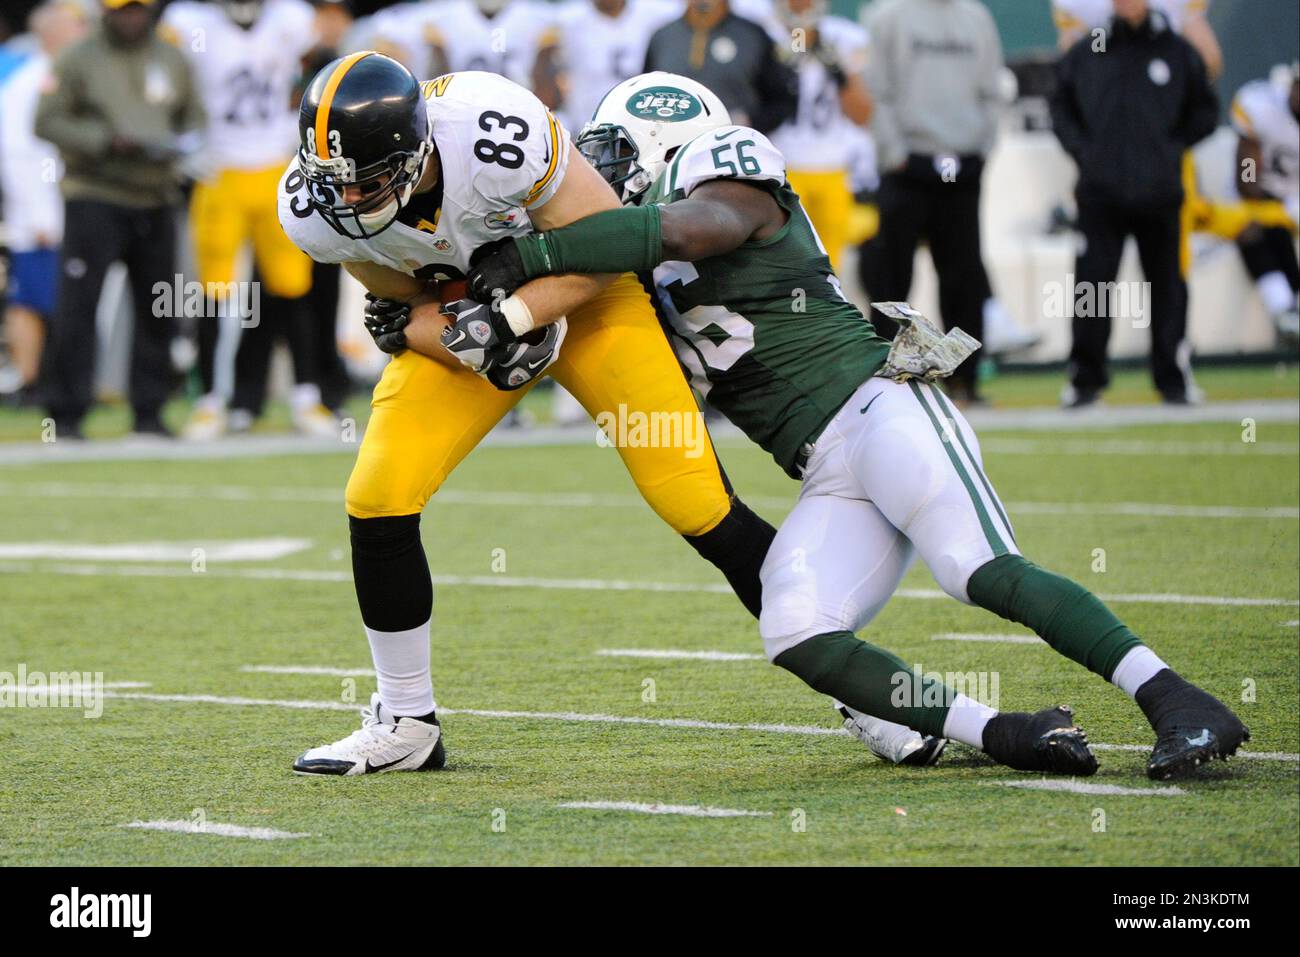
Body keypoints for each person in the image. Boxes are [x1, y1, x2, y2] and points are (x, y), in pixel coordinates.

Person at [466, 70, 1252, 781]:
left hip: (880, 404)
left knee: (975, 567)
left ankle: (1176, 697)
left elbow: (696, 227)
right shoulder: (624, 260)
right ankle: (1004, 732)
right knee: (794, 624)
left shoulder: (724, 164)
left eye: (613, 151)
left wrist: (538, 252)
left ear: (665, 140)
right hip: (824, 463)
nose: (597, 172)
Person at [277, 54, 777, 775]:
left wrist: (517, 313)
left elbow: (613, 238)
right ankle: (406, 720)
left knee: (696, 500)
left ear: (417, 152)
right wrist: (456, 338)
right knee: (377, 495)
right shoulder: (310, 210)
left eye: (367, 176)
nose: (348, 195)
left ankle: (855, 684)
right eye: (336, 180)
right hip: (469, 312)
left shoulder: (491, 129)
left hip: (585, 288)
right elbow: (399, 306)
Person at [164, 0, 339, 440]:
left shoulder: (291, 19)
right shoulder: (188, 23)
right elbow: (168, 79)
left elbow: (318, 65)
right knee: (213, 292)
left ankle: (305, 396)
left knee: (293, 288)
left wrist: (294, 118)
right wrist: (184, 137)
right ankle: (209, 402)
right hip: (218, 170)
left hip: (275, 170)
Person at [35, 0, 205, 439]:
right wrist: (105, 141)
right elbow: (46, 121)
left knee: (157, 307)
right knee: (79, 304)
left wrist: (178, 144)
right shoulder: (77, 57)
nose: (131, 17)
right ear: (104, 14)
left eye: (138, 10)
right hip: (96, 195)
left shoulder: (171, 57)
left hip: (156, 195)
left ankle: (149, 412)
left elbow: (196, 118)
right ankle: (66, 414)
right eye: (122, 10)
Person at [1050, 0, 1218, 407]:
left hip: (1160, 194)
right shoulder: (1090, 48)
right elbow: (1060, 105)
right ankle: (1085, 381)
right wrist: (1084, 153)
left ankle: (1173, 378)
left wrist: (1168, 149)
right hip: (1100, 194)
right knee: (1093, 287)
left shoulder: (1175, 49)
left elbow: (1205, 111)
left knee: (1167, 287)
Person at [863, 0, 1005, 405]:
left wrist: (982, 149)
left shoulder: (977, 18)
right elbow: (878, 89)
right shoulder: (887, 17)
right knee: (892, 279)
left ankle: (965, 381)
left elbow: (993, 91)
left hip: (963, 166)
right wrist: (895, 154)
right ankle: (886, 381)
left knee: (964, 279)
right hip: (907, 167)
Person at [0, 0, 87, 407]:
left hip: (70, 207)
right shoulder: (28, 82)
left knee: (64, 299)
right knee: (32, 301)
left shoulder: (67, 74)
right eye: (75, 27)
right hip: (40, 211)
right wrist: (36, 214)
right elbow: (15, 153)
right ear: (54, 34)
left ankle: (63, 382)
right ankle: (32, 383)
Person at [764, 0, 871, 273]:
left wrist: (838, 71)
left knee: (829, 269)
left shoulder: (843, 36)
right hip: (780, 166)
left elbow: (862, 114)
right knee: (783, 265)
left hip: (832, 168)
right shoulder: (763, 33)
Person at [643, 0, 797, 135]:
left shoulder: (752, 36)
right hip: (671, 151)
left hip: (733, 151)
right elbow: (644, 95)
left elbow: (781, 100)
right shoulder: (662, 37)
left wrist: (748, 121)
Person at [1230, 65, 1299, 339]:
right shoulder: (1264, 108)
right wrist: (1255, 188)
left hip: (1293, 199)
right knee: (1260, 224)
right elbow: (1247, 175)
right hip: (1260, 196)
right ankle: (1284, 307)